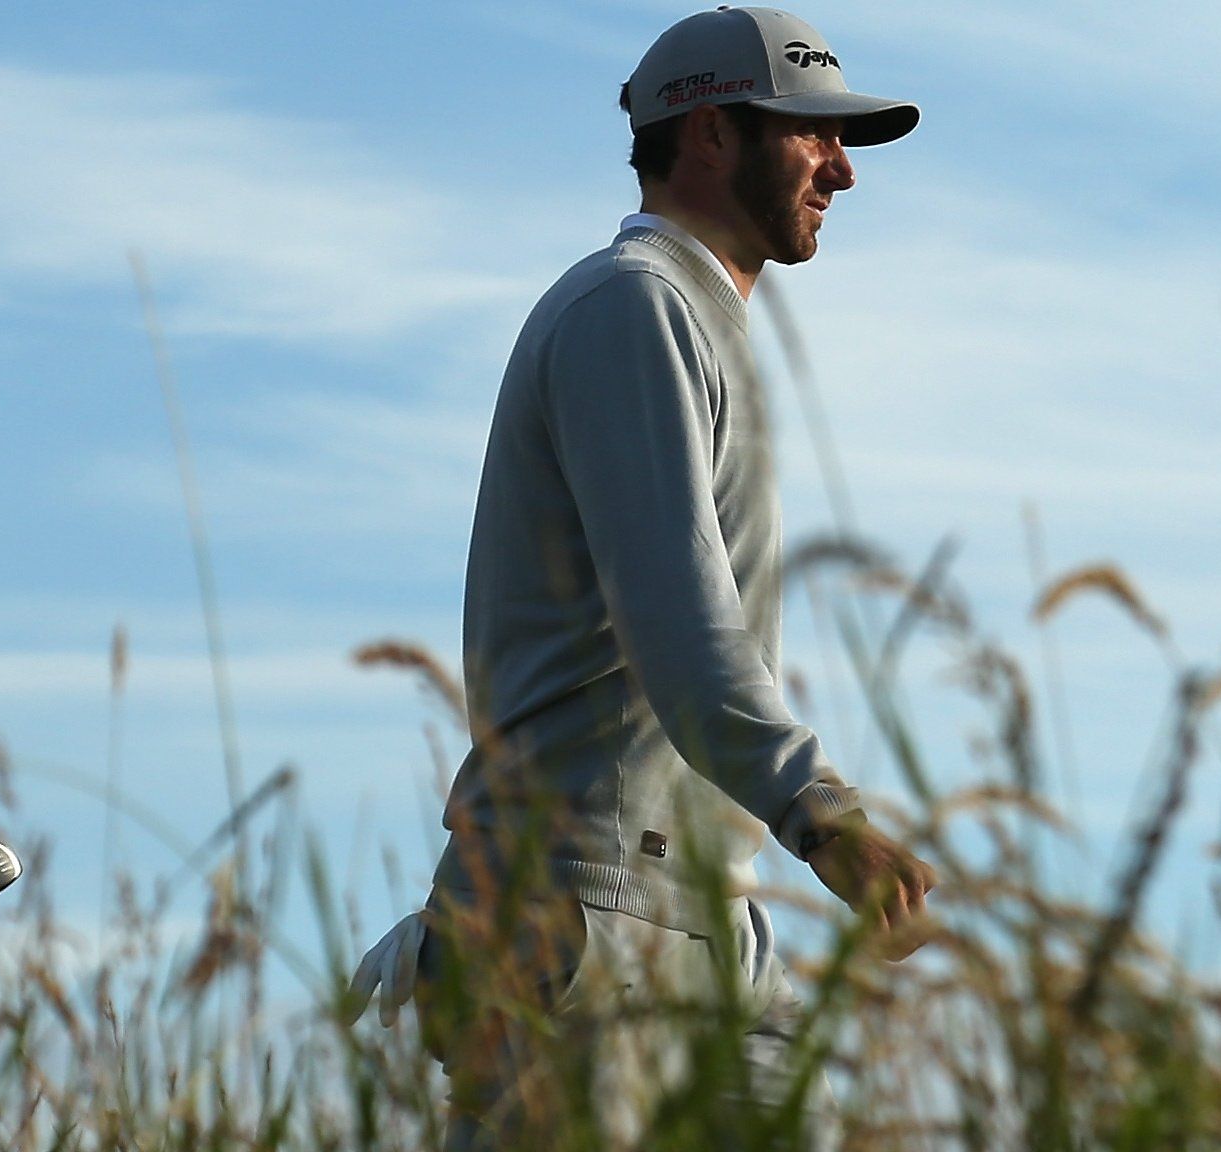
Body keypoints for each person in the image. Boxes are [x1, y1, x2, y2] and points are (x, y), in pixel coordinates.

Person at [346, 9, 939, 1149]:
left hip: (699, 918)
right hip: (584, 909)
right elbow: (677, 624)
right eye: (810, 135)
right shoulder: (636, 308)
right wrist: (823, 818)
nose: (843, 169)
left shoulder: (688, 321)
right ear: (710, 133)